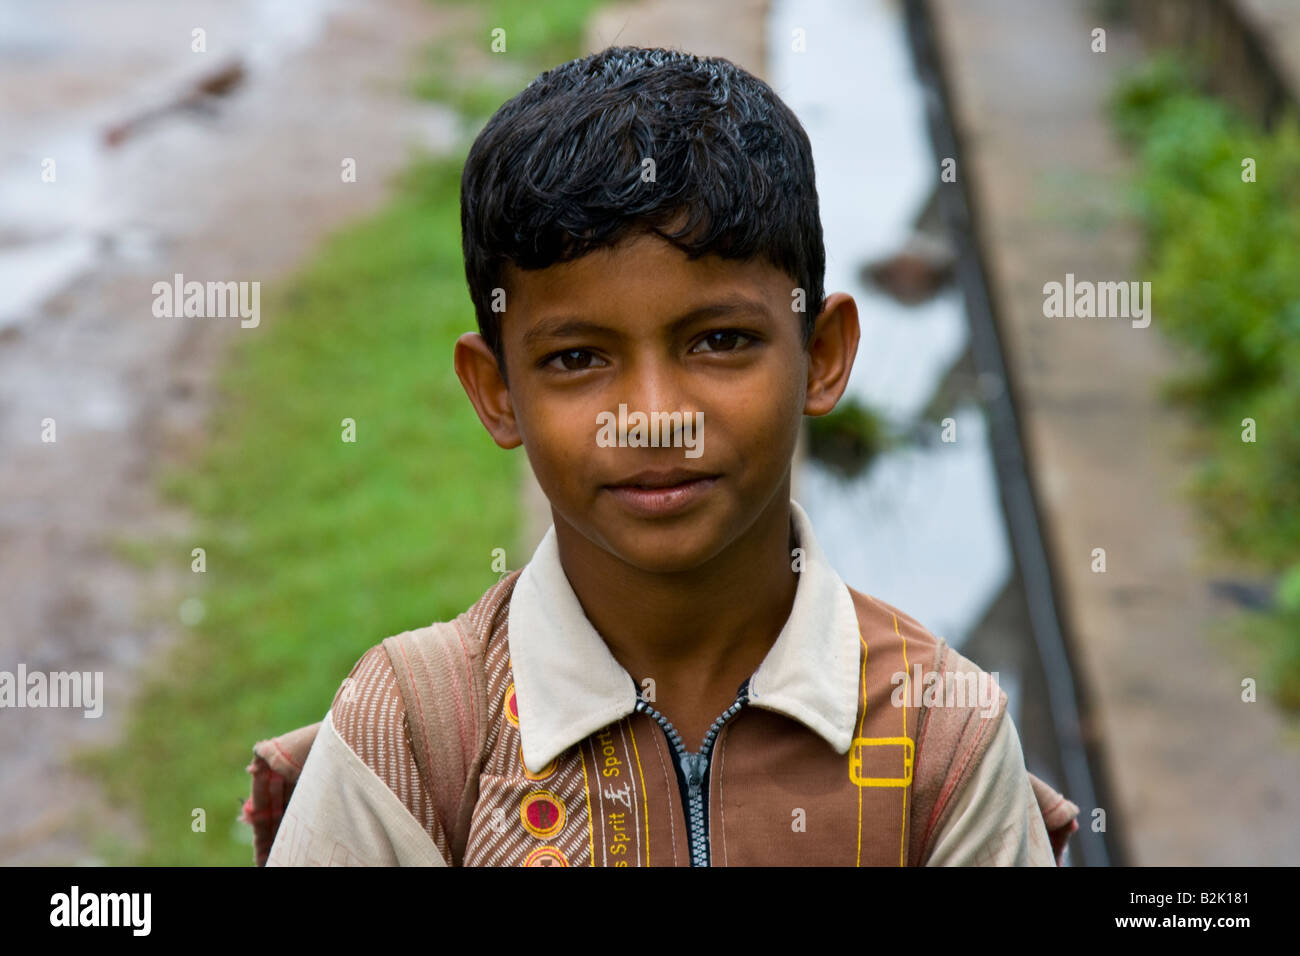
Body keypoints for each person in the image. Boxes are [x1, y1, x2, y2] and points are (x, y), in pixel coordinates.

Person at [255, 45, 1078, 867]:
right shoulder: (414, 735)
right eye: (577, 357)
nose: (655, 421)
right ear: (496, 390)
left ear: (822, 355)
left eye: (720, 340)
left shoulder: (940, 739)